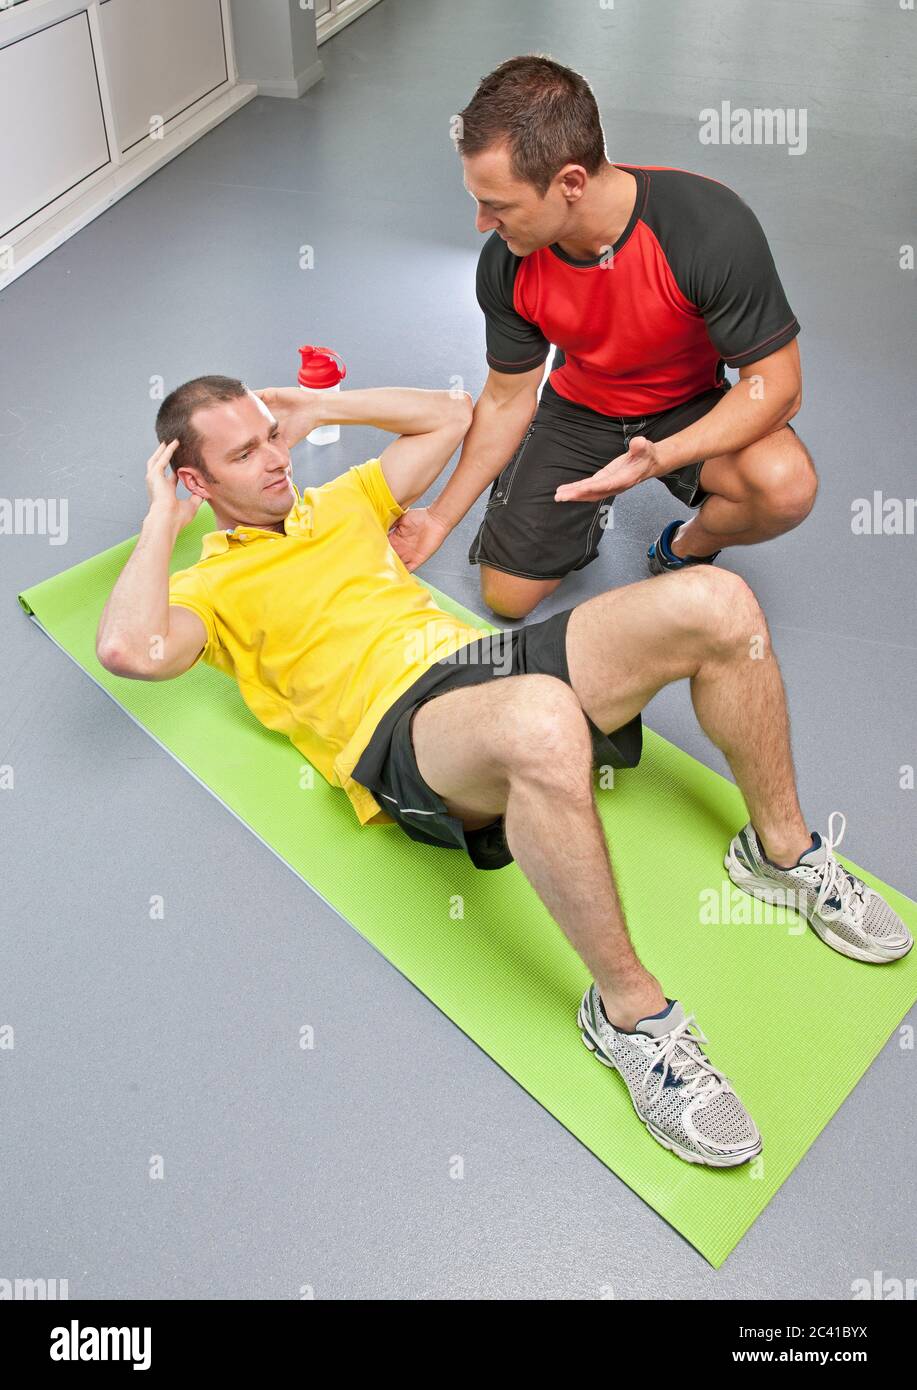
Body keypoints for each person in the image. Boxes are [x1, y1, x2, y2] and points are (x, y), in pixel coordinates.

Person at [96, 377, 910, 1169]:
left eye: (270, 435)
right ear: (196, 478)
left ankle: (778, 853)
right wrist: (164, 519)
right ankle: (629, 1018)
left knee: (719, 600)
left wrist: (316, 407)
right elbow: (131, 651)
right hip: (404, 729)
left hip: (481, 658)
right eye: (246, 453)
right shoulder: (207, 586)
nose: (275, 459)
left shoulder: (340, 500)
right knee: (541, 721)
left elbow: (452, 415)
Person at [387, 55, 817, 621]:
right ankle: (583, 508)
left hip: (683, 407)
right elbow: (507, 398)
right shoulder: (507, 264)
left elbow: (777, 387)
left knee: (785, 486)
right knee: (506, 599)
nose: (481, 223)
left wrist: (659, 457)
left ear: (570, 182)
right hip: (579, 412)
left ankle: (685, 545)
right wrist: (438, 519)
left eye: (498, 205)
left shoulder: (707, 227)